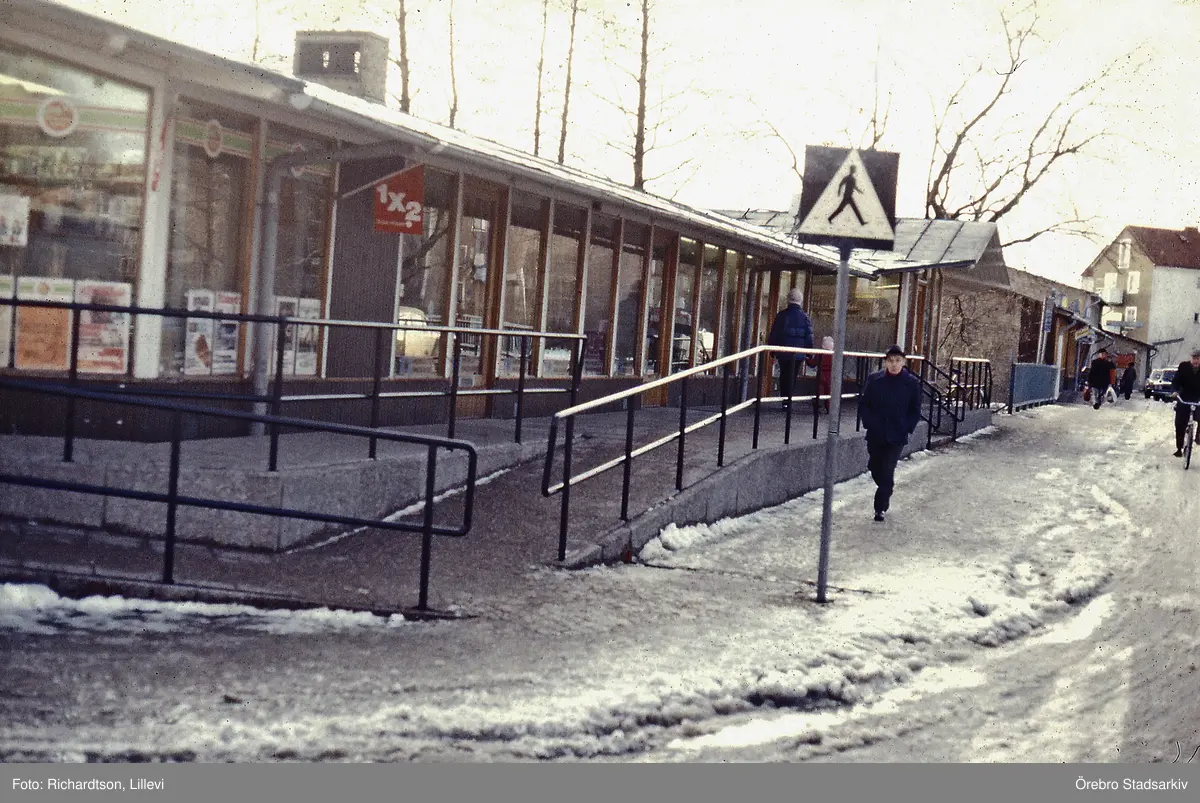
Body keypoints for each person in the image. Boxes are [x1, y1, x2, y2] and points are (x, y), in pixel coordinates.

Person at [859, 345, 922, 522]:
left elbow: (915, 409)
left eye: (897, 361)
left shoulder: (911, 383)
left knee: (887, 469)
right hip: (876, 433)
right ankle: (887, 486)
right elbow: (864, 404)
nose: (894, 364)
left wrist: (907, 427)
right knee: (875, 468)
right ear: (886, 362)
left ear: (903, 362)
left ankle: (880, 508)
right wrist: (870, 423)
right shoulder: (875, 380)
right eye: (891, 361)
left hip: (897, 434)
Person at [767, 287, 814, 409]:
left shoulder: (781, 316)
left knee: (784, 374)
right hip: (798, 353)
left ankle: (784, 400)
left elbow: (775, 333)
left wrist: (772, 350)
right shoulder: (805, 317)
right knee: (793, 376)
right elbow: (808, 336)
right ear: (800, 300)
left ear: (788, 300)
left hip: (784, 352)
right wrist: (809, 352)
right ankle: (789, 399)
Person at [1170, 348, 1200, 457]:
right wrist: (1175, 391)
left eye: (1198, 359)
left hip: (1198, 398)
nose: (1196, 361)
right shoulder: (1183, 367)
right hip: (1184, 398)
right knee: (1179, 424)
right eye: (1194, 358)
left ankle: (1198, 436)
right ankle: (1179, 448)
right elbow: (1176, 381)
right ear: (1191, 358)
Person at [807, 335, 835, 412]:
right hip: (830, 376)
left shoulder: (820, 354)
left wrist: (807, 359)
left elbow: (812, 364)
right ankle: (828, 408)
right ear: (832, 347)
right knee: (829, 392)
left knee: (819, 391)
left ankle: (817, 406)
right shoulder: (834, 356)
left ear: (823, 346)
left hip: (821, 375)